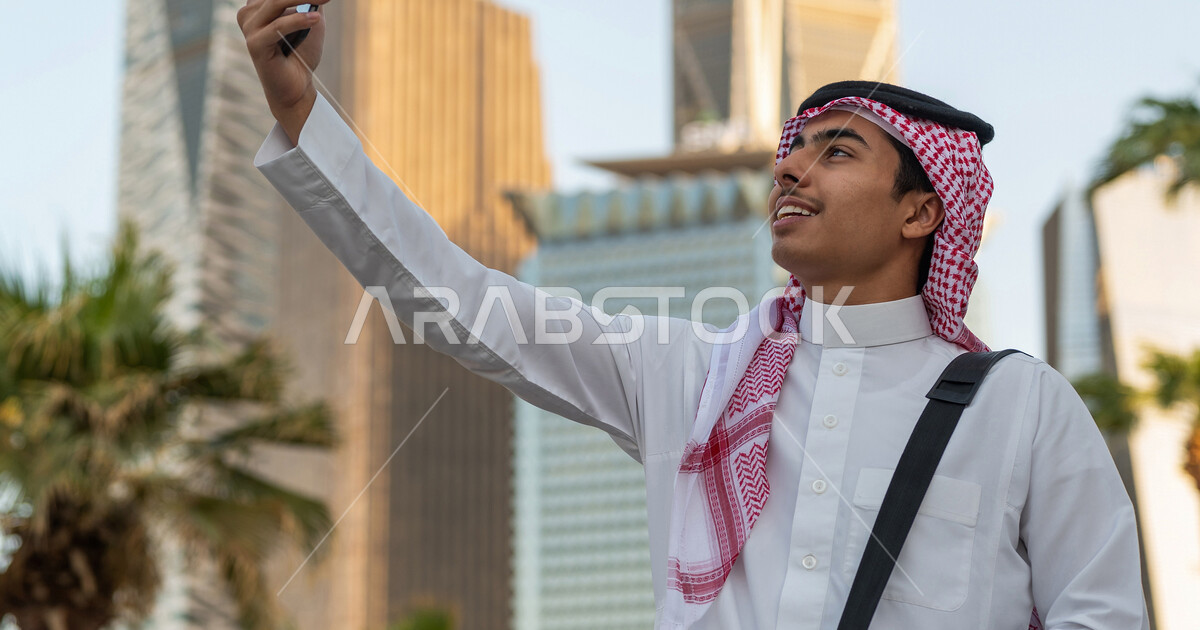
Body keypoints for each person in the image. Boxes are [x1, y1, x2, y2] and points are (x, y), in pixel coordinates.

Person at [238, 1, 1151, 628]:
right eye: (790, 153)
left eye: (837, 153)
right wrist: (304, 114)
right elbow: (462, 299)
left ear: (922, 212)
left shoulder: (1023, 408)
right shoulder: (693, 379)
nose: (789, 169)